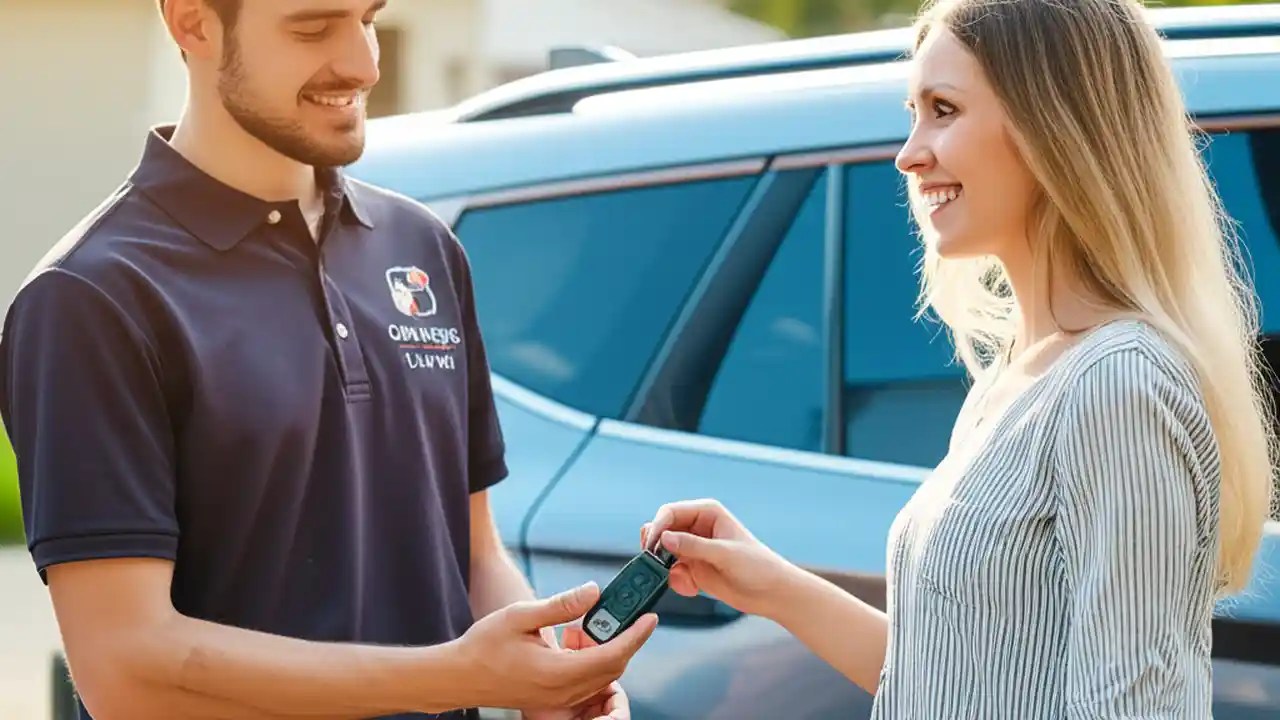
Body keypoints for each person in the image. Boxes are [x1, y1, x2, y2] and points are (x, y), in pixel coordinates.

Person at [0, 1, 655, 719]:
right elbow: (126, 671)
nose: (363, 63)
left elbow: (473, 557)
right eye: (313, 28)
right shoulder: (92, 297)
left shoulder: (422, 247)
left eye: (368, 18)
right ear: (193, 23)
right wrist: (455, 677)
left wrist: (550, 679)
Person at [643, 0, 1277, 716]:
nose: (909, 153)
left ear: (1054, 125)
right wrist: (768, 584)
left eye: (943, 110)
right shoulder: (1015, 376)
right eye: (914, 112)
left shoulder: (1119, 382)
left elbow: (1134, 705)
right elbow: (948, 684)